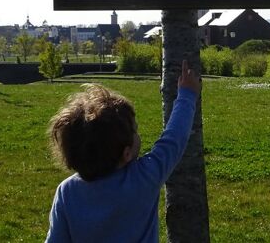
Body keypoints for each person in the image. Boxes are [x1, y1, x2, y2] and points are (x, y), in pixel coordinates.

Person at [45, 60, 202, 243]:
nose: (137, 133)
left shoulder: (67, 192)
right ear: (126, 154)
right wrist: (187, 95)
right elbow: (174, 139)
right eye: (135, 130)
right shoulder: (143, 178)